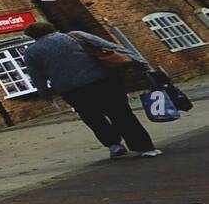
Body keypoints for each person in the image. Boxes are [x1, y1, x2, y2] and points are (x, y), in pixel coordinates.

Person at [21, 22, 160, 158]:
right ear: (51, 28)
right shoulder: (75, 36)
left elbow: (37, 76)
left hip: (71, 90)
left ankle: (113, 145)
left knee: (93, 118)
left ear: (32, 36)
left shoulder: (31, 52)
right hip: (101, 81)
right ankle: (144, 148)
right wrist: (140, 62)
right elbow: (110, 47)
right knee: (121, 113)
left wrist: (45, 94)